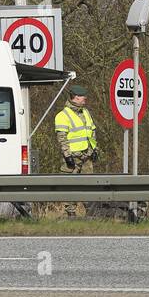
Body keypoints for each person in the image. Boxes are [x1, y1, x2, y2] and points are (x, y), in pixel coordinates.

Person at [54, 85, 99, 216]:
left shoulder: (85, 112)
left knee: (89, 186)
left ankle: (91, 214)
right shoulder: (62, 115)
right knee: (70, 186)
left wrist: (95, 149)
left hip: (86, 156)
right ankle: (71, 214)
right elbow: (61, 138)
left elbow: (92, 132)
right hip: (72, 157)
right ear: (75, 97)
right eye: (83, 96)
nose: (85, 98)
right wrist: (67, 156)